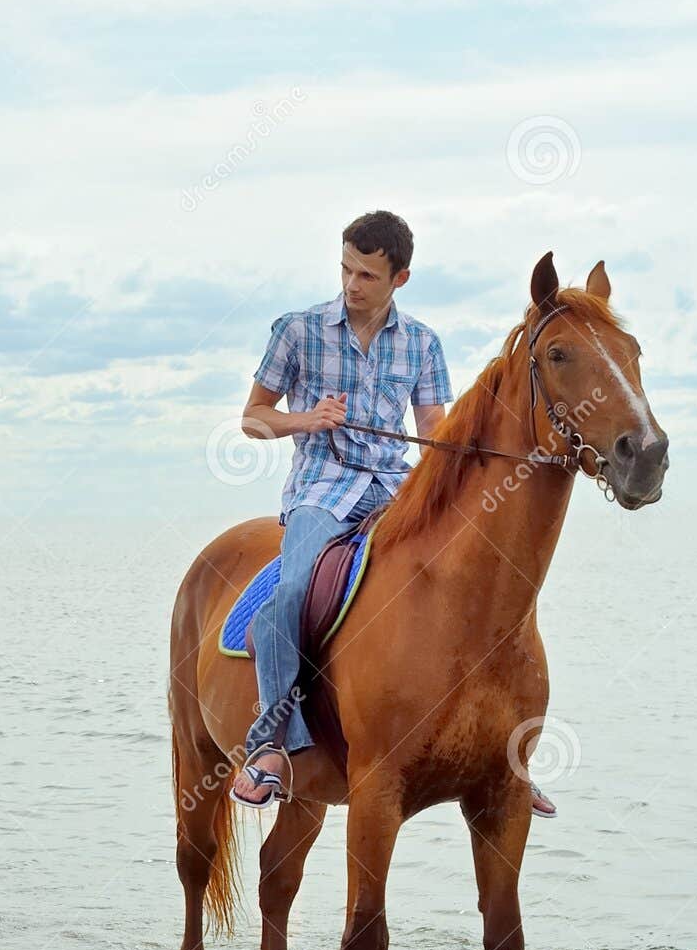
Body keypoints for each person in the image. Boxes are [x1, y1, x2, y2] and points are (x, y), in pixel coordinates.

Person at [228, 210, 558, 818]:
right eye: (346, 269)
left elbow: (433, 429)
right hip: (321, 489)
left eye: (368, 276)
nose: (353, 285)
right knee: (291, 593)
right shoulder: (297, 331)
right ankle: (272, 742)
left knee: (473, 580)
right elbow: (253, 419)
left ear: (399, 278)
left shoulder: (423, 343)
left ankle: (500, 756)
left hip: (396, 491)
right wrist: (307, 420)